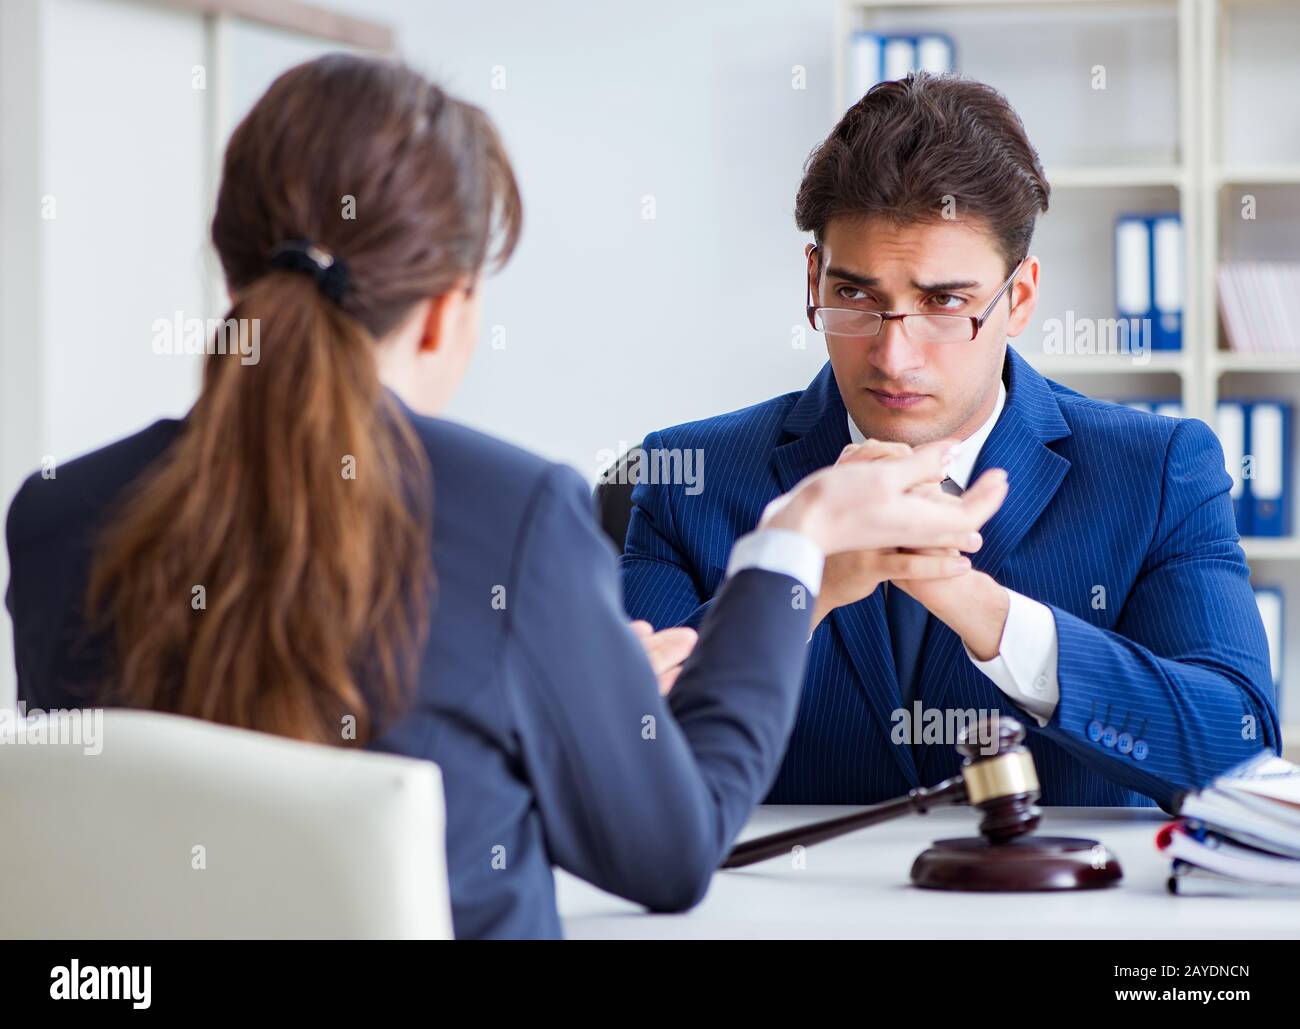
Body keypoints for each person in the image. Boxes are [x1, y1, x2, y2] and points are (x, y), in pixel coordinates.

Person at [3, 56, 1007, 939]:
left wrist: (575, 689)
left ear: (230, 273)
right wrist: (792, 545)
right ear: (446, 314)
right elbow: (667, 857)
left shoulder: (51, 516)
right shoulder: (510, 513)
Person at [620, 72, 1279, 812]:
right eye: (857, 297)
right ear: (814, 282)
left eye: (944, 303)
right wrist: (798, 588)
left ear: (1019, 298)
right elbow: (618, 757)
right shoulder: (690, 477)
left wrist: (979, 609)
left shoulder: (1157, 472)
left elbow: (1240, 748)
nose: (894, 357)